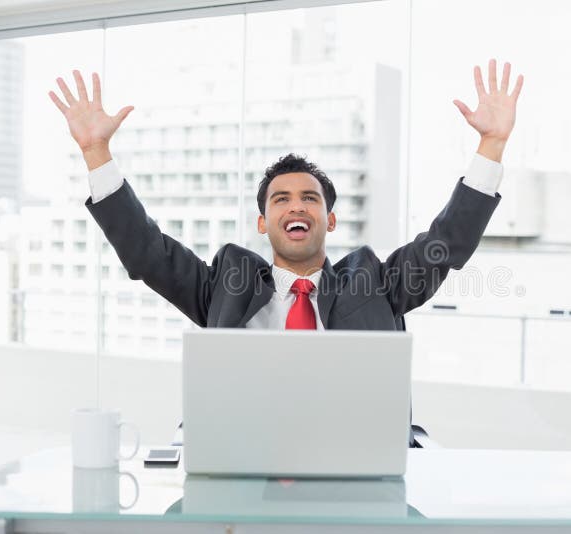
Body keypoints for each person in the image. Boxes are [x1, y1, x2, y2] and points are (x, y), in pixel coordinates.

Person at [49, 59, 523, 444]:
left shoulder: (375, 281)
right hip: (245, 453)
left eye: (310, 198)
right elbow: (148, 252)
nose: (296, 206)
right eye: (281, 199)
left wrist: (491, 145)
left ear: (330, 220)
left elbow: (446, 244)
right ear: (263, 222)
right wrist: (97, 155)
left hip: (358, 459)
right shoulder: (223, 286)